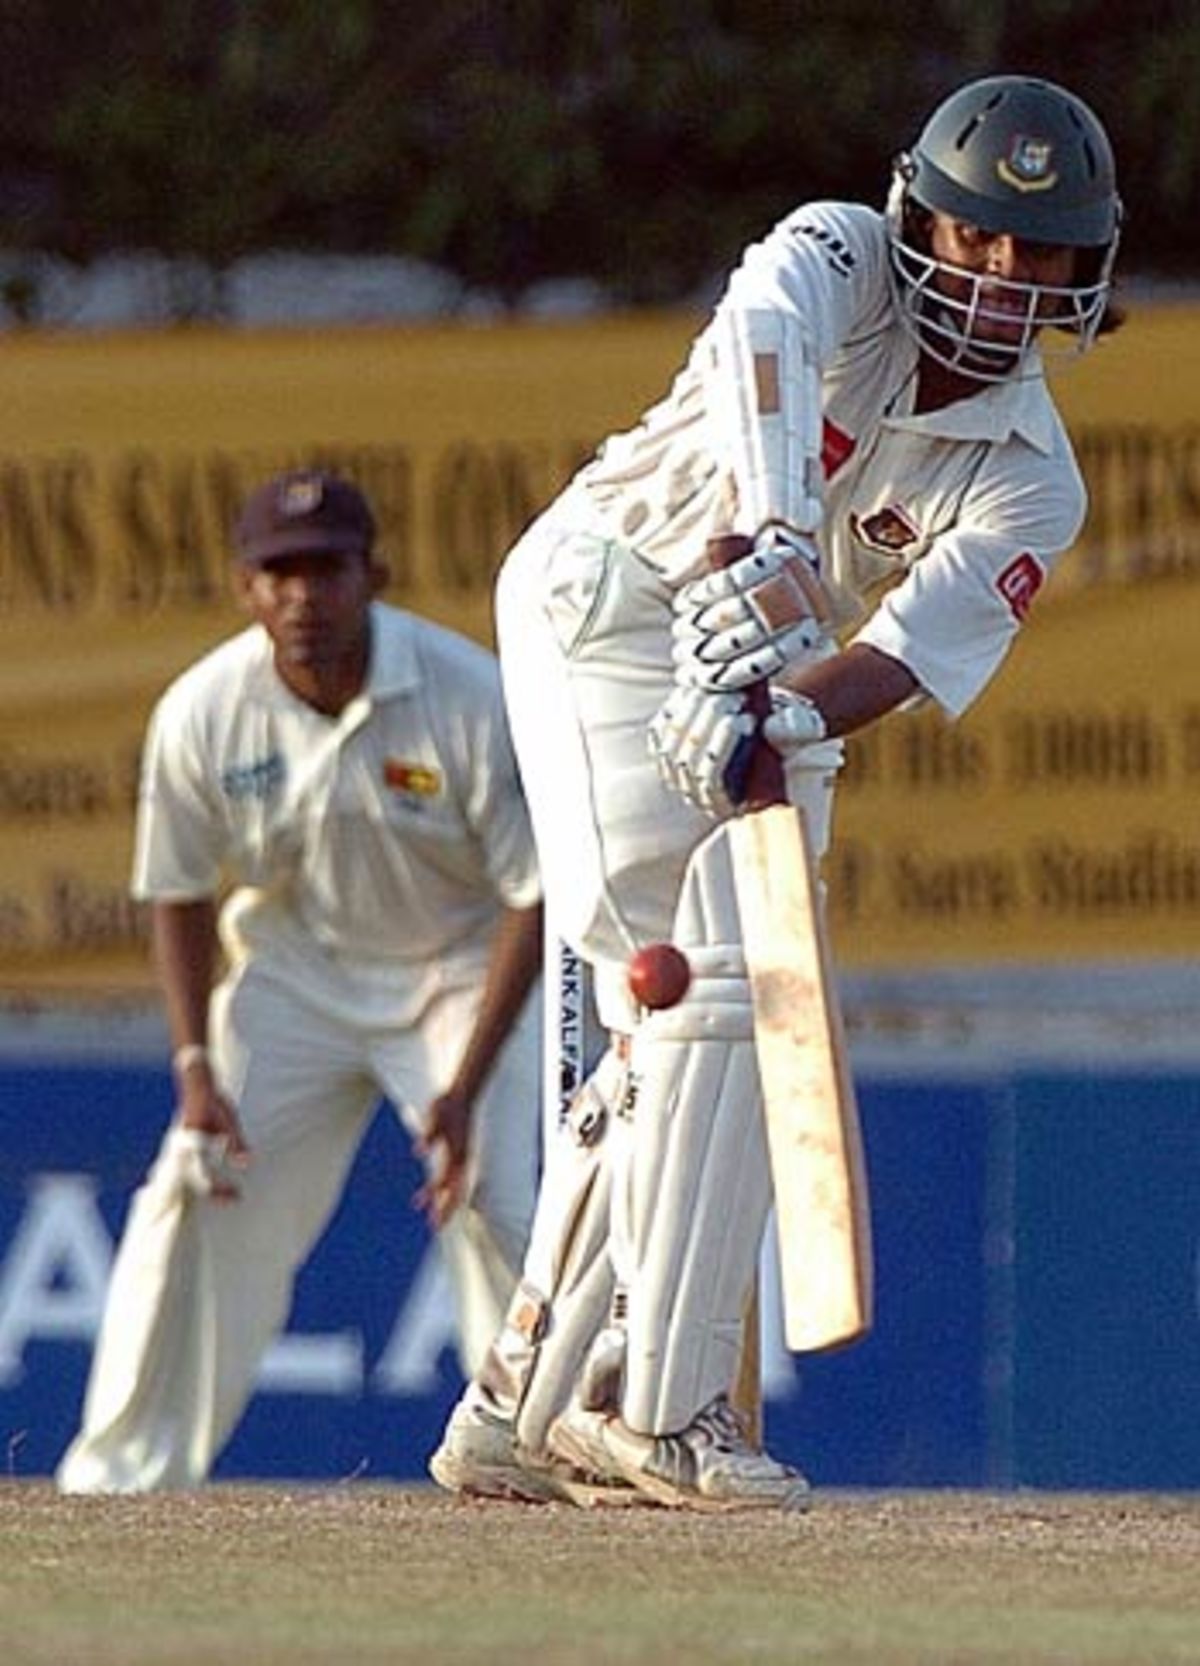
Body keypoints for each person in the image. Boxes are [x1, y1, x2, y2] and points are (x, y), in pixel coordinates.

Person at [428, 73, 1123, 1513]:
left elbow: (898, 657)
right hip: (607, 600)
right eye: (981, 236)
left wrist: (765, 698)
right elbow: (762, 347)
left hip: (778, 675)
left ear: (1081, 272)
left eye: (1040, 253)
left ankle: (524, 1395)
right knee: (688, 995)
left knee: (724, 1009)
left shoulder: (1037, 481)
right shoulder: (832, 251)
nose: (1004, 278)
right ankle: (650, 1404)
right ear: (918, 212)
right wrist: (763, 536)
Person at [57, 468, 544, 1493]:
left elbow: (531, 897)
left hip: (457, 973)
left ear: (374, 574)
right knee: (197, 1178)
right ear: (245, 586)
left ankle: (533, 1460)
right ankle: (121, 1478)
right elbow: (179, 894)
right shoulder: (205, 710)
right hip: (294, 976)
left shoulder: (466, 694)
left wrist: (461, 1090)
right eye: (278, 572)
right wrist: (195, 1067)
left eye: (325, 569)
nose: (302, 596)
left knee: (497, 1194)